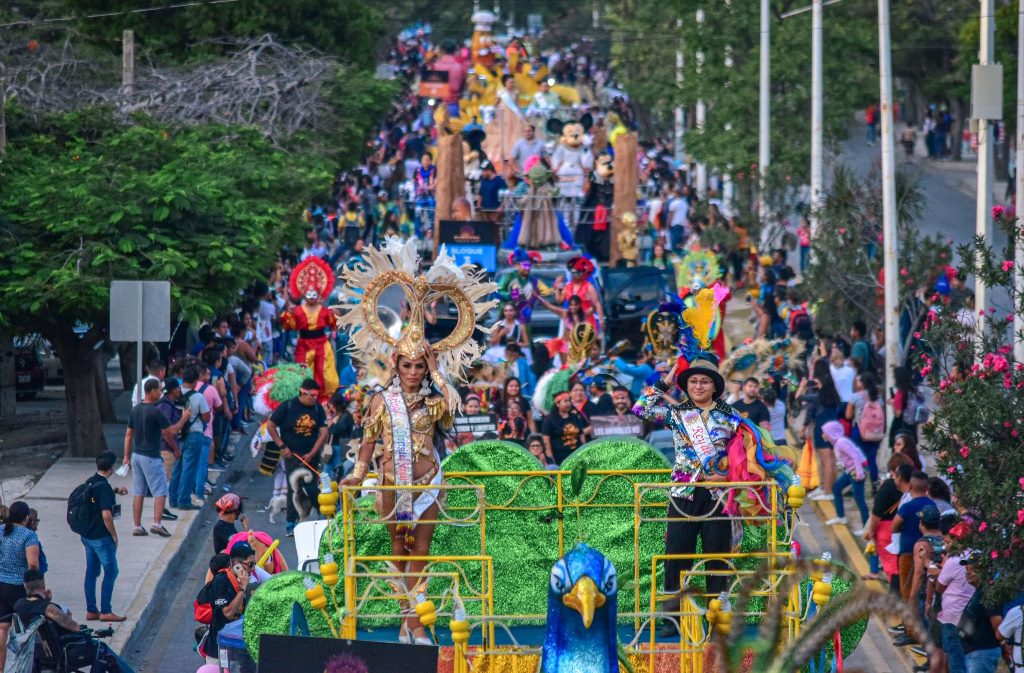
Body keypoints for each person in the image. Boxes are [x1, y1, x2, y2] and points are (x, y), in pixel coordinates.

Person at [334, 238, 481, 646]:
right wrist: (357, 475)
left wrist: (437, 370)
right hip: (390, 484)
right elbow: (368, 441)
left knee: (422, 551)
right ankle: (410, 622)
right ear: (395, 365)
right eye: (408, 365)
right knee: (398, 551)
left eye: (418, 365)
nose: (413, 371)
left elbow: (455, 406)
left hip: (427, 484)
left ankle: (412, 624)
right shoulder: (382, 401)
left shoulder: (433, 402)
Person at [632, 354, 738, 637]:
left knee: (717, 557)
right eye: (693, 381)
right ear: (687, 386)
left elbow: (744, 457)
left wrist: (728, 477)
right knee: (676, 556)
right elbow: (640, 409)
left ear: (714, 386)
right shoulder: (678, 414)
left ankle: (717, 617)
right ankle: (672, 619)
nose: (699, 386)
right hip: (683, 494)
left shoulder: (732, 417)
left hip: (717, 494)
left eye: (704, 381)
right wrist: (665, 382)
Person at [13, 569, 137, 673]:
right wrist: (81, 628)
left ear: (25, 585)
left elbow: (36, 608)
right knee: (101, 648)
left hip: (40, 654)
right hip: (64, 652)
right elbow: (68, 623)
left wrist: (46, 600)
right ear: (43, 584)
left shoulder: (19, 606)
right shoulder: (49, 608)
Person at [124, 378, 187, 537]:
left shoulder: (136, 410)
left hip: (136, 455)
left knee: (138, 492)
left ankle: (137, 526)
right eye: (159, 390)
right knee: (160, 490)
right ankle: (157, 524)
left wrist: (126, 457)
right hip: (151, 456)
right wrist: (184, 419)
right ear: (152, 392)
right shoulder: (156, 411)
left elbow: (128, 434)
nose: (161, 393)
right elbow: (170, 432)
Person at [266, 378, 329, 536]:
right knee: (294, 487)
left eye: (316, 396)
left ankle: (323, 514)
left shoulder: (318, 409)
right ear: (302, 393)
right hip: (292, 455)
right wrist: (282, 446)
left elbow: (324, 432)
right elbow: (271, 425)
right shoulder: (288, 406)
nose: (314, 399)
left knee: (312, 486)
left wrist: (313, 453)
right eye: (311, 396)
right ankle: (290, 522)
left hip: (311, 455)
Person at [79, 452, 127, 622]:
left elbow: (94, 498)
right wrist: (114, 535)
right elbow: (107, 515)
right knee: (111, 571)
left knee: (91, 572)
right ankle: (106, 611)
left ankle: (91, 610)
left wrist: (115, 490)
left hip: (87, 536)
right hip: (101, 537)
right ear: (112, 467)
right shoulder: (104, 488)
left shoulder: (90, 481)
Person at [0, 501, 40, 671]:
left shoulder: (0, 530)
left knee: (2, 628)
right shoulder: (28, 536)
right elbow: (33, 564)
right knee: (27, 628)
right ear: (27, 517)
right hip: (18, 587)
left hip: (0, 584)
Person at [863, 457, 913, 585]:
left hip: (886, 530)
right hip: (906, 530)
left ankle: (896, 591)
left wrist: (871, 531)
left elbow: (877, 512)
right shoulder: (915, 489)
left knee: (891, 566)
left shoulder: (888, 486)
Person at [202, 543, 254, 665]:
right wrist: (243, 588)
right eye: (251, 564)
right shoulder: (221, 581)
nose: (253, 569)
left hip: (237, 650)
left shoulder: (243, 580)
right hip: (218, 652)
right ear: (237, 564)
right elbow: (228, 613)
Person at [169, 367, 212, 511]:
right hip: (194, 435)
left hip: (178, 434)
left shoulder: (176, 393)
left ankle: (173, 499)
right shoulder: (198, 397)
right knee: (189, 469)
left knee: (177, 468)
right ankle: (184, 500)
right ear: (195, 382)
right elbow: (206, 417)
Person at [798, 358, 842, 500]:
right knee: (831, 460)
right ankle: (829, 488)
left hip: (822, 430)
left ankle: (827, 491)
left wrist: (802, 386)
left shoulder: (818, 397)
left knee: (825, 461)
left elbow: (798, 397)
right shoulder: (834, 394)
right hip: (833, 430)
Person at [891, 471, 934, 609]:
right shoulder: (932, 505)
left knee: (907, 589)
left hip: (908, 552)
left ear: (910, 486)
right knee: (924, 588)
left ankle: (909, 620)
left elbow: (894, 526)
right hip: (929, 551)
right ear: (927, 488)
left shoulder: (907, 507)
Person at [822, 421, 869, 535]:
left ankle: (867, 528)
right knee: (837, 488)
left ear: (830, 433)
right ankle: (841, 516)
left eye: (824, 433)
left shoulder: (841, 442)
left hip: (857, 470)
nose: (823, 435)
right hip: (851, 471)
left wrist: (859, 473)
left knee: (859, 498)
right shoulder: (837, 443)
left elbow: (855, 456)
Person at [960, 559, 1003, 673]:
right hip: (974, 652)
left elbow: (997, 623)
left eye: (973, 569)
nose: (968, 572)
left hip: (982, 652)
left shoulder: (988, 594)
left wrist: (1004, 644)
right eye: (966, 569)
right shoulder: (979, 592)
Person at [846, 370, 885, 485]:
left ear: (862, 383)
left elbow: (848, 415)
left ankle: (857, 486)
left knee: (856, 460)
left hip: (858, 431)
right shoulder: (878, 398)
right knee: (872, 460)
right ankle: (874, 486)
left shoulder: (856, 397)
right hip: (875, 433)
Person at [541, 390, 592, 465]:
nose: (569, 403)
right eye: (565, 401)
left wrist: (584, 453)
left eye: (569, 401)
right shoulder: (549, 420)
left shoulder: (574, 416)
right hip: (560, 458)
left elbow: (581, 435)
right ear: (557, 404)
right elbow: (546, 441)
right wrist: (551, 461)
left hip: (577, 456)